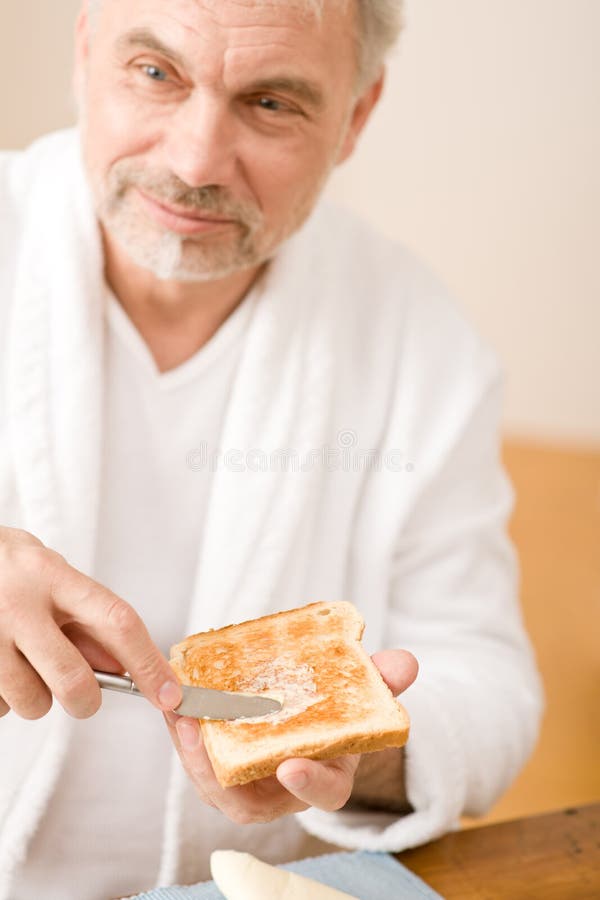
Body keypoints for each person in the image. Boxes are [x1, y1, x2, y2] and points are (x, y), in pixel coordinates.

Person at [0, 1, 543, 898]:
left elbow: (489, 686)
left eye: (272, 103)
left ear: (355, 117)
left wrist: (353, 747)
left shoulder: (418, 339)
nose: (194, 162)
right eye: (154, 73)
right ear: (85, 50)